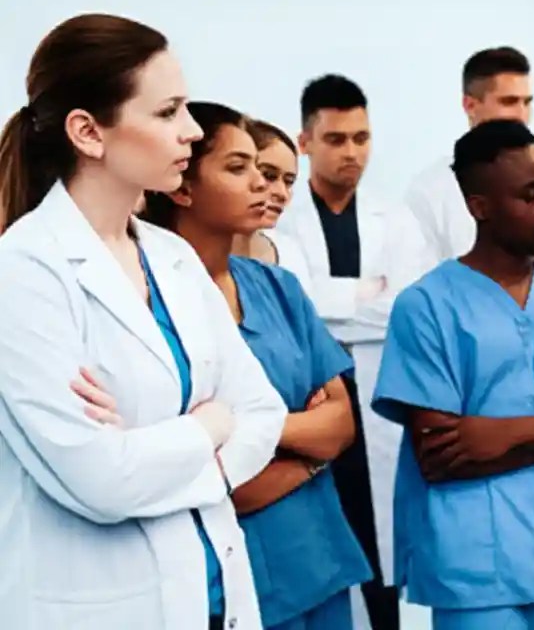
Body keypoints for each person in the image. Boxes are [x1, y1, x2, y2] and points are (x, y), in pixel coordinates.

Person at [0, 13, 287, 630]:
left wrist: (151, 449)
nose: (190, 132)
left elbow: (263, 413)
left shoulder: (172, 257)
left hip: (215, 597)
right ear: (88, 132)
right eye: (167, 112)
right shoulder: (24, 272)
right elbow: (102, 480)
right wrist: (211, 422)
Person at [372, 119, 534, 630]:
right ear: (480, 206)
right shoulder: (427, 306)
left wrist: (504, 431)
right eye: (531, 194)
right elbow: (443, 458)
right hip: (475, 568)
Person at [137, 101, 373, 629]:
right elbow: (215, 481)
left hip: (321, 559)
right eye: (240, 169)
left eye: (268, 173)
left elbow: (341, 424)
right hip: (236, 574)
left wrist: (253, 427)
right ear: (182, 186)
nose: (264, 186)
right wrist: (309, 449)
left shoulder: (276, 287)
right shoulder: (150, 303)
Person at [273, 74, 428, 630]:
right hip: (318, 397)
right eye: (336, 139)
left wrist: (329, 301)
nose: (352, 152)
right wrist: (362, 294)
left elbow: (407, 306)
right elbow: (294, 302)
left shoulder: (397, 218)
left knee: (381, 539)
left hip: (380, 395)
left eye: (361, 138)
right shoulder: (280, 220)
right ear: (305, 141)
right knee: (327, 534)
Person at [404, 46, 534, 267]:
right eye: (509, 102)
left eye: (527, 102)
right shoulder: (430, 191)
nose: (522, 115)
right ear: (470, 105)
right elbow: (420, 283)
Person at [233, 118, 306, 276]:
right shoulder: (183, 254)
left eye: (288, 182)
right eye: (268, 175)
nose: (282, 194)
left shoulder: (290, 255)